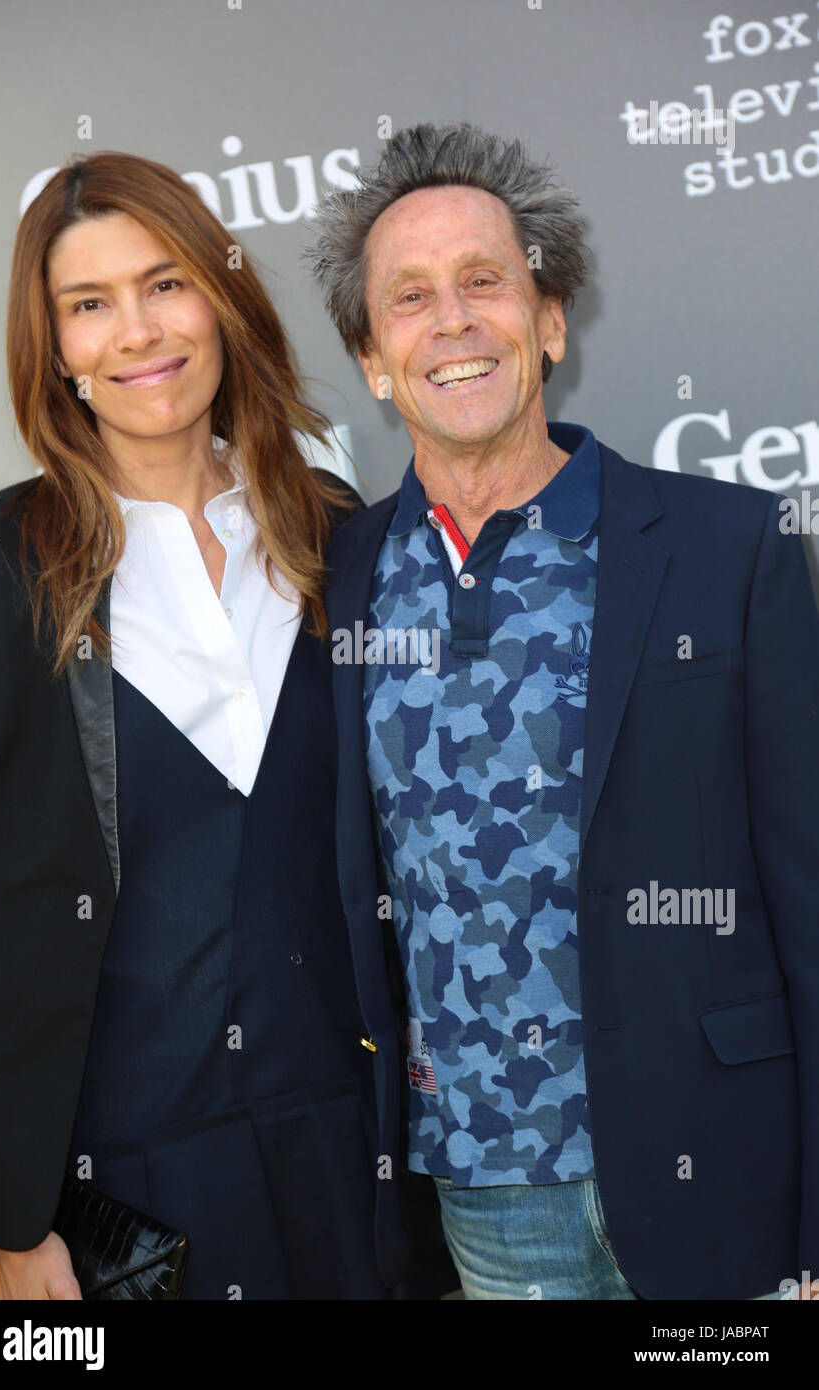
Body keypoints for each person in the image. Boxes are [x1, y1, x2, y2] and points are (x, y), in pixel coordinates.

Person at [307, 121, 819, 1301]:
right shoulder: (338, 576)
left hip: (723, 1165)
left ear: (548, 320)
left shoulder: (722, 547)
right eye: (409, 298)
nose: (452, 321)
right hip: (489, 1197)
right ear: (373, 357)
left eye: (485, 281)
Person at [0, 150, 455, 1300]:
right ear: (55, 349)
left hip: (356, 1158)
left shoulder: (342, 537)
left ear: (223, 300)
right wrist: (8, 1224)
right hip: (116, 1196)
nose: (136, 331)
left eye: (165, 282)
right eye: (88, 304)